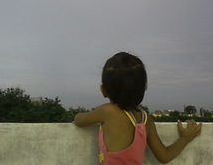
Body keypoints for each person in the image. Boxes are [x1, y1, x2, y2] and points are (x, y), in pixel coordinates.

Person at [74, 52, 202, 164]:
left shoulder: (108, 111)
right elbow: (164, 156)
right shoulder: (146, 120)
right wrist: (185, 138)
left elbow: (79, 120)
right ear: (143, 89)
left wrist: (79, 115)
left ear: (103, 90)